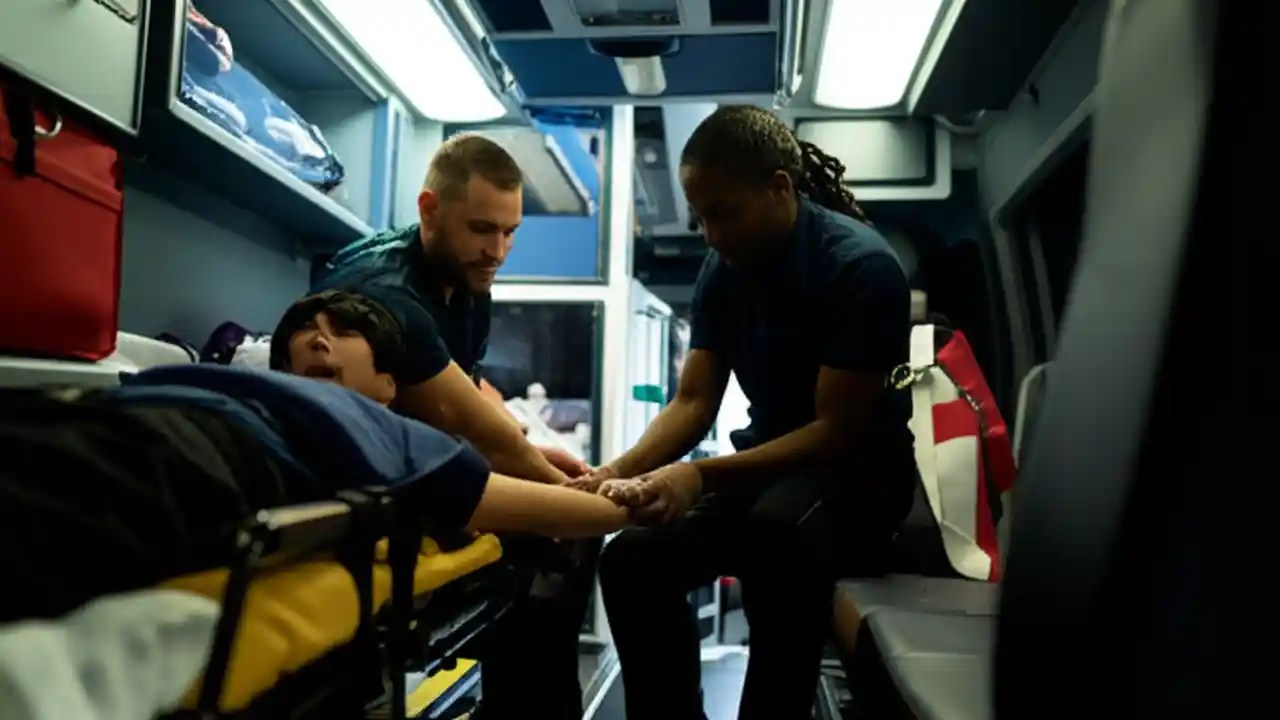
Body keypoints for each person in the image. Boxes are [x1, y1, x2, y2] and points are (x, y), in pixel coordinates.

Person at [579, 106, 918, 719]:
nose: (708, 233)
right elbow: (693, 401)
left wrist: (703, 475)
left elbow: (833, 434)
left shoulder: (859, 268)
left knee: (774, 535)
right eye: (700, 216)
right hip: (768, 473)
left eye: (723, 212)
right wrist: (616, 472)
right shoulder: (723, 269)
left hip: (857, 479)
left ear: (780, 189)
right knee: (631, 559)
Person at [310, 134, 598, 719]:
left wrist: (533, 448)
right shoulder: (386, 293)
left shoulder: (466, 280)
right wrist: (559, 491)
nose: (498, 249)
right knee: (560, 531)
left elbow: (467, 390)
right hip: (363, 479)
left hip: (422, 458)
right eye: (482, 229)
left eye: (510, 232)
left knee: (566, 531)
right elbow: (464, 419)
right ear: (429, 210)